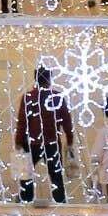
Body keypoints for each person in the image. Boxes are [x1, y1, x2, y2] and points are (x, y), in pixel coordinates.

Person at [15, 66, 75, 203]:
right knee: (55, 175)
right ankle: (59, 200)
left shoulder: (28, 97)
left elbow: (23, 121)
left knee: (27, 174)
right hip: (52, 142)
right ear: (49, 79)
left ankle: (26, 199)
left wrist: (18, 140)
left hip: (31, 142)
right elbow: (66, 120)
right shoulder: (57, 97)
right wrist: (70, 138)